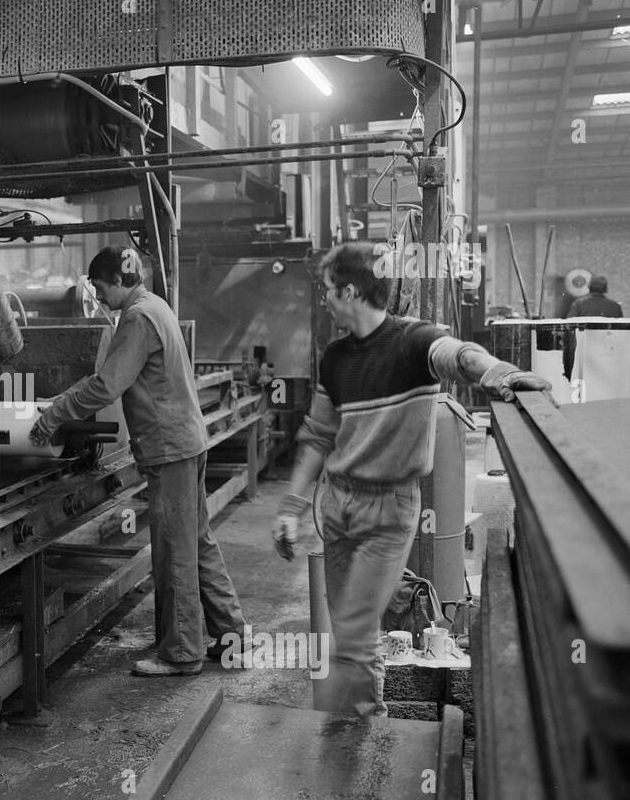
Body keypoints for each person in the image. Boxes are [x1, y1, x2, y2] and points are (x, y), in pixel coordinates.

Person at [273, 242, 552, 717]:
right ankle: (357, 727)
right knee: (347, 630)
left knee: (356, 635)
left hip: (389, 510)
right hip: (338, 506)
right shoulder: (336, 358)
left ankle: (360, 738)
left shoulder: (413, 342)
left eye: (327, 291)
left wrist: (500, 372)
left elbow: (460, 356)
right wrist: (292, 507)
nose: (323, 301)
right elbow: (318, 436)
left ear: (350, 290)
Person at [30, 246, 249, 676]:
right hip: (186, 443)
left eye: (98, 287)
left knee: (175, 551)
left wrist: (54, 413)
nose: (97, 296)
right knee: (197, 543)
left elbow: (105, 386)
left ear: (115, 281)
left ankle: (182, 653)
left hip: (169, 450)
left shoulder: (135, 318)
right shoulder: (157, 306)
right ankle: (232, 637)